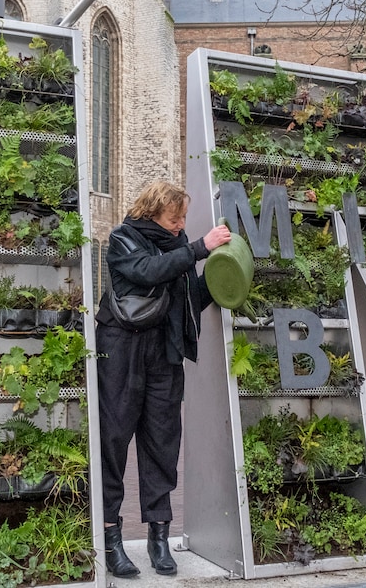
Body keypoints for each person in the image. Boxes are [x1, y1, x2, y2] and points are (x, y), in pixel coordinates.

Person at [96, 181, 231, 577]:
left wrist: (224, 273)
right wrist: (199, 248)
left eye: (184, 218)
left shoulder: (180, 246)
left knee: (162, 444)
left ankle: (159, 537)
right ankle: (111, 539)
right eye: (175, 217)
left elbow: (188, 297)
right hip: (122, 349)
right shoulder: (123, 239)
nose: (181, 224)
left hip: (165, 354)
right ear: (153, 212)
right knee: (114, 441)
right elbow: (147, 272)